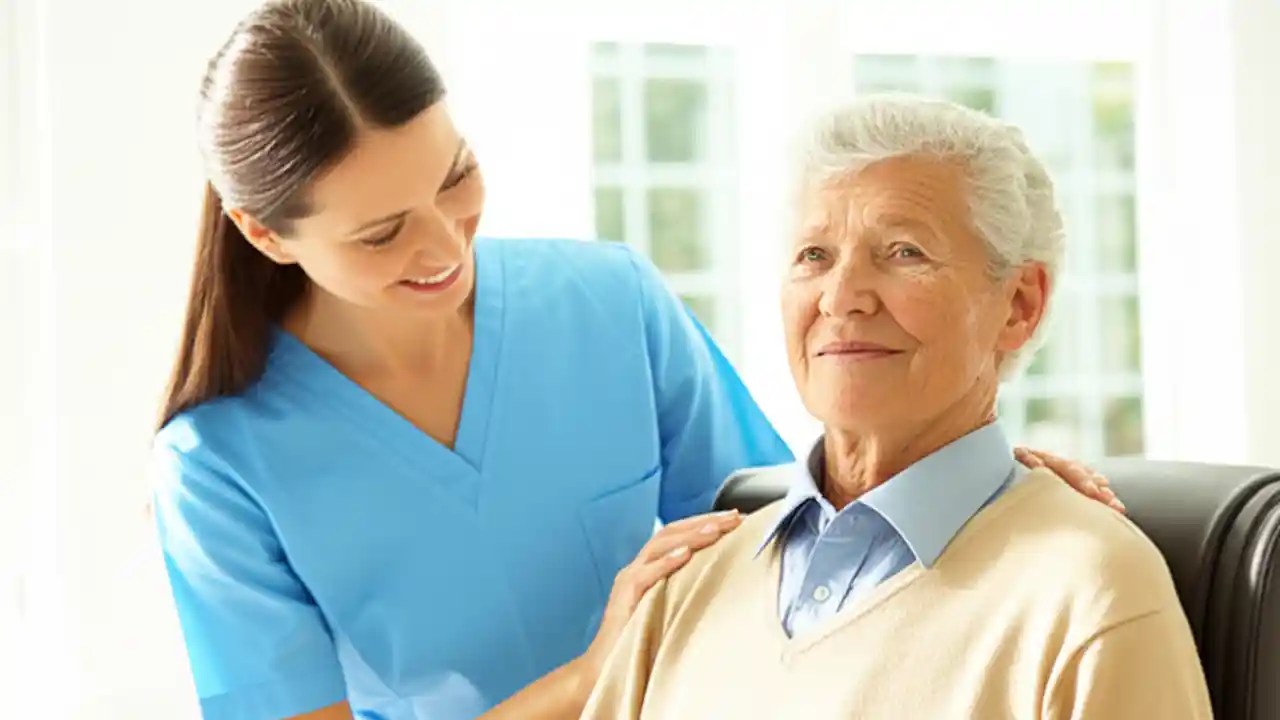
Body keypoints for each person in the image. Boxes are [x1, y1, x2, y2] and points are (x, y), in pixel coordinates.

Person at [150, 2, 1124, 719]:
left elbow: (788, 537)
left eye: (455, 178)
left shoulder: (605, 305)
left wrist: (973, 486)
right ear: (267, 235)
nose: (445, 246)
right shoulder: (220, 465)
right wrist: (594, 675)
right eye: (380, 234)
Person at [581, 94, 1212, 720]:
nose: (841, 297)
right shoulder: (681, 589)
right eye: (814, 256)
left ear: (1020, 304)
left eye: (904, 252)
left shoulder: (1091, 592)